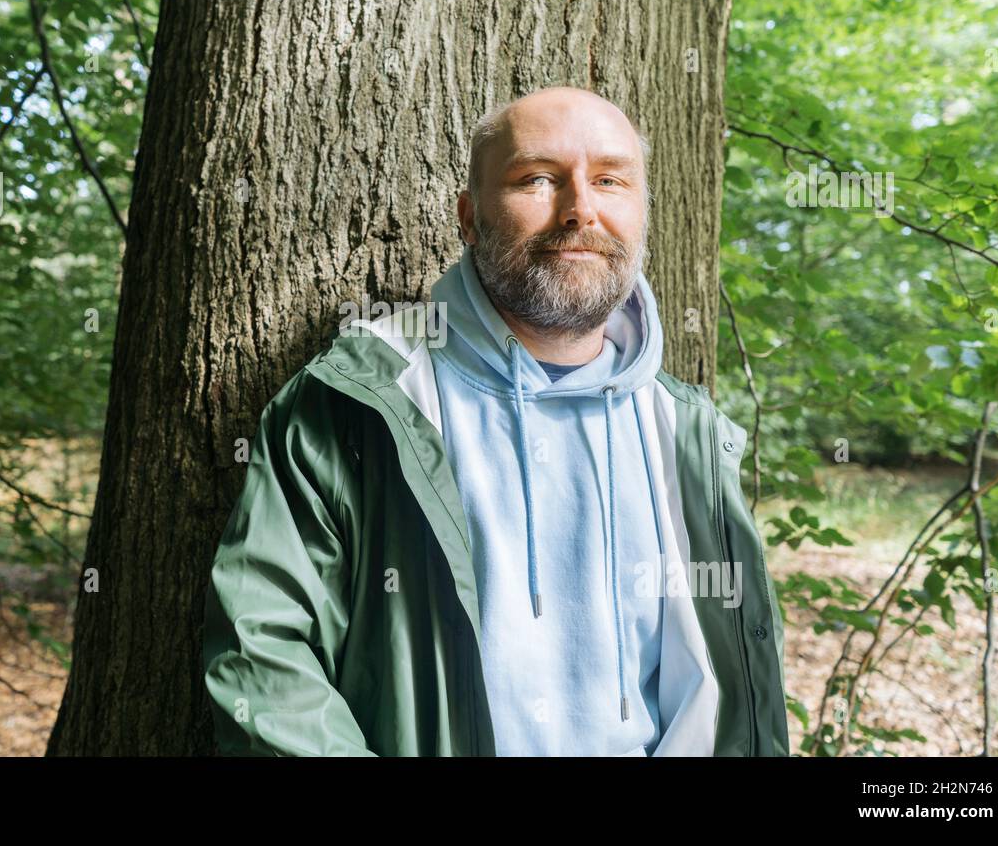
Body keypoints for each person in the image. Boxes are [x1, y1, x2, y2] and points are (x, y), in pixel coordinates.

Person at [201, 86, 790, 756]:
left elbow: (729, 696)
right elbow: (263, 647)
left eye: (609, 180)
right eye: (537, 179)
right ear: (470, 217)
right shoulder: (364, 397)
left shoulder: (685, 432)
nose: (580, 210)